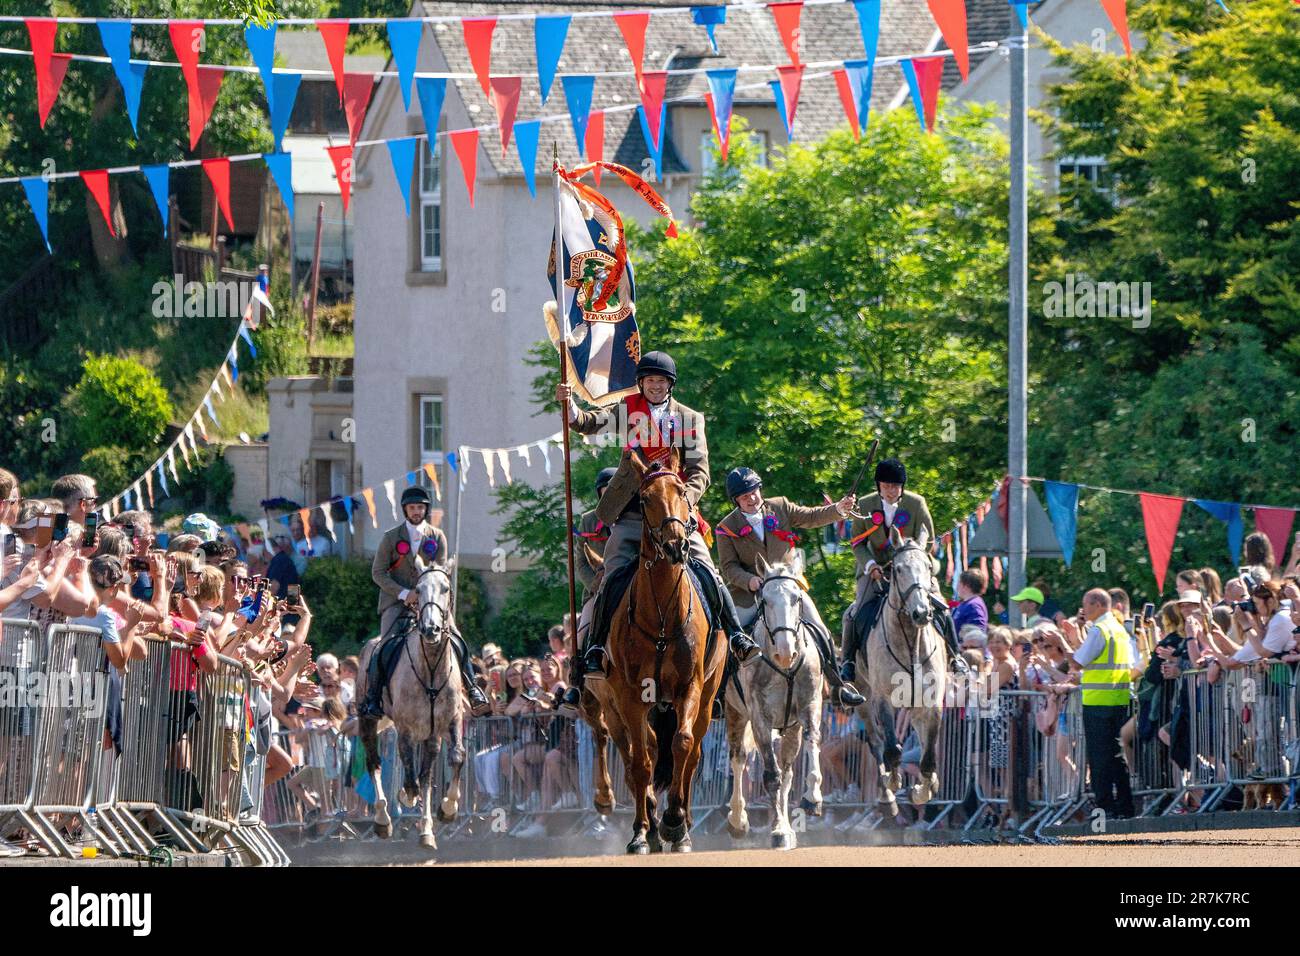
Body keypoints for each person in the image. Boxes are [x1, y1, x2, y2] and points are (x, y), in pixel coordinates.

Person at [556, 351, 759, 695]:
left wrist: (682, 503)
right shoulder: (627, 408)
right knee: (613, 574)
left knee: (709, 571)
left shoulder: (690, 420)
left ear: (669, 385)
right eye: (650, 380)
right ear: (641, 383)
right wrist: (571, 407)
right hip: (633, 512)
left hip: (675, 515)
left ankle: (737, 635)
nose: (654, 386)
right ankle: (594, 650)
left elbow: (700, 473)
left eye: (660, 381)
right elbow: (590, 423)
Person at [712, 466, 864, 707]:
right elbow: (729, 567)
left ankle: (838, 687)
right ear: (736, 500)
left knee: (820, 629)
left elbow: (811, 516)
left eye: (754, 492)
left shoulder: (780, 506)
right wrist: (749, 581)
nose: (751, 499)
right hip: (751, 594)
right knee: (729, 637)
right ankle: (719, 695)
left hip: (787, 590)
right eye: (744, 497)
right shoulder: (725, 527)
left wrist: (837, 509)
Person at [361, 484, 488, 717]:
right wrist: (403, 593)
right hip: (397, 603)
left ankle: (473, 689)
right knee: (383, 646)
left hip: (433, 602)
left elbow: (439, 571)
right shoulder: (391, 538)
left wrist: (424, 597)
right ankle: (373, 698)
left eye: (420, 507)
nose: (417, 511)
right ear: (405, 510)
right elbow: (378, 573)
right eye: (412, 507)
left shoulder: (437, 537)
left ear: (426, 509)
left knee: (457, 640)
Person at [840, 457, 961, 679]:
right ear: (879, 486)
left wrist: (913, 558)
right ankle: (847, 662)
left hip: (912, 567)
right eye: (886, 486)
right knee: (854, 613)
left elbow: (930, 540)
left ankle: (955, 656)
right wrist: (870, 565)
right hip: (876, 570)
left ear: (902, 486)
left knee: (941, 607)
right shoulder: (866, 505)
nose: (890, 491)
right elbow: (857, 542)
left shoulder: (916, 504)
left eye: (895, 486)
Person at [1069, 588, 1135, 820]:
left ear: (1097, 604)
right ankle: (1125, 807)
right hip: (1118, 700)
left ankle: (1105, 809)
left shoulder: (1100, 630)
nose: (1083, 610)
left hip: (1098, 702)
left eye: (1086, 605)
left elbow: (1078, 662)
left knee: (1099, 759)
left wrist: (1062, 642)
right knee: (1116, 757)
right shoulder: (1118, 628)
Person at [951, 568, 989, 637]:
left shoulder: (975, 605)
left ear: (966, 586)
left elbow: (978, 634)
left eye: (959, 583)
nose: (956, 587)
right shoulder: (964, 604)